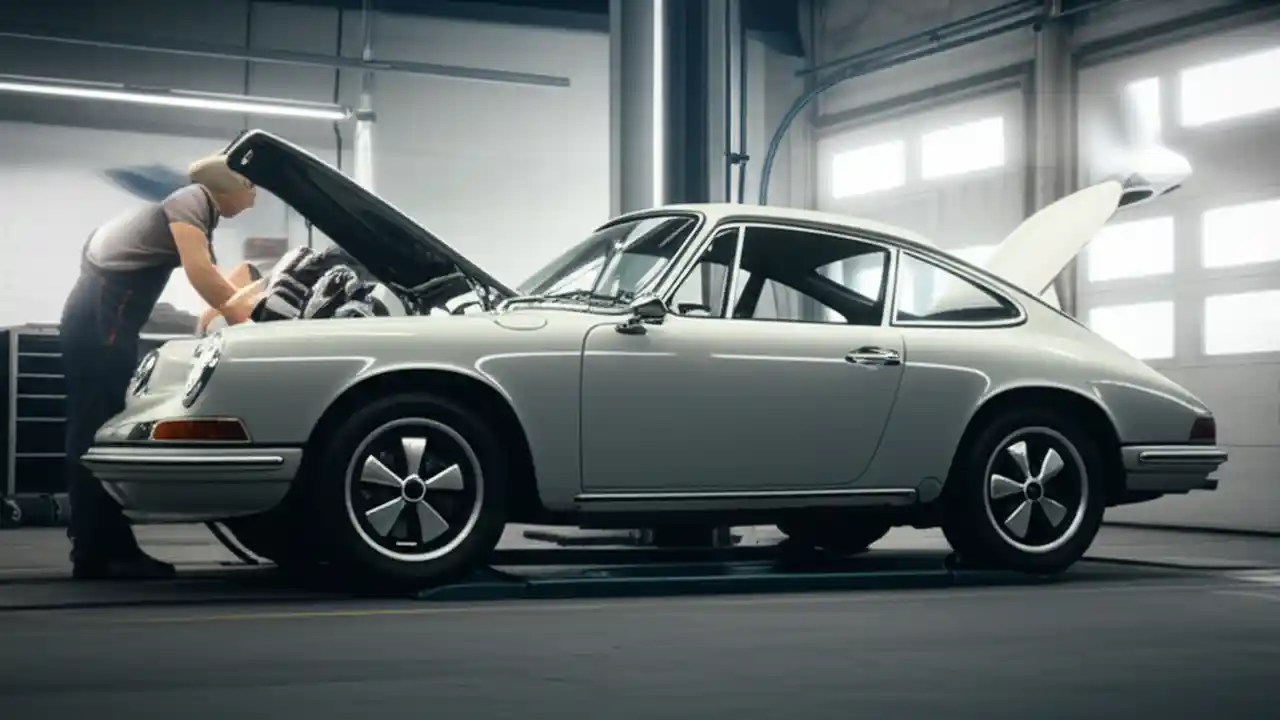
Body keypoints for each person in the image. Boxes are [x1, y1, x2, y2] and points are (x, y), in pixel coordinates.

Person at [59, 152, 261, 580]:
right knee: (97, 431)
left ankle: (101, 546)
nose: (255, 195)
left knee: (98, 427)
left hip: (103, 313)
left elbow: (217, 284)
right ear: (229, 186)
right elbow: (201, 273)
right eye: (250, 186)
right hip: (102, 316)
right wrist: (249, 321)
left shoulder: (196, 208)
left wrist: (232, 304)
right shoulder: (191, 199)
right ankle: (99, 551)